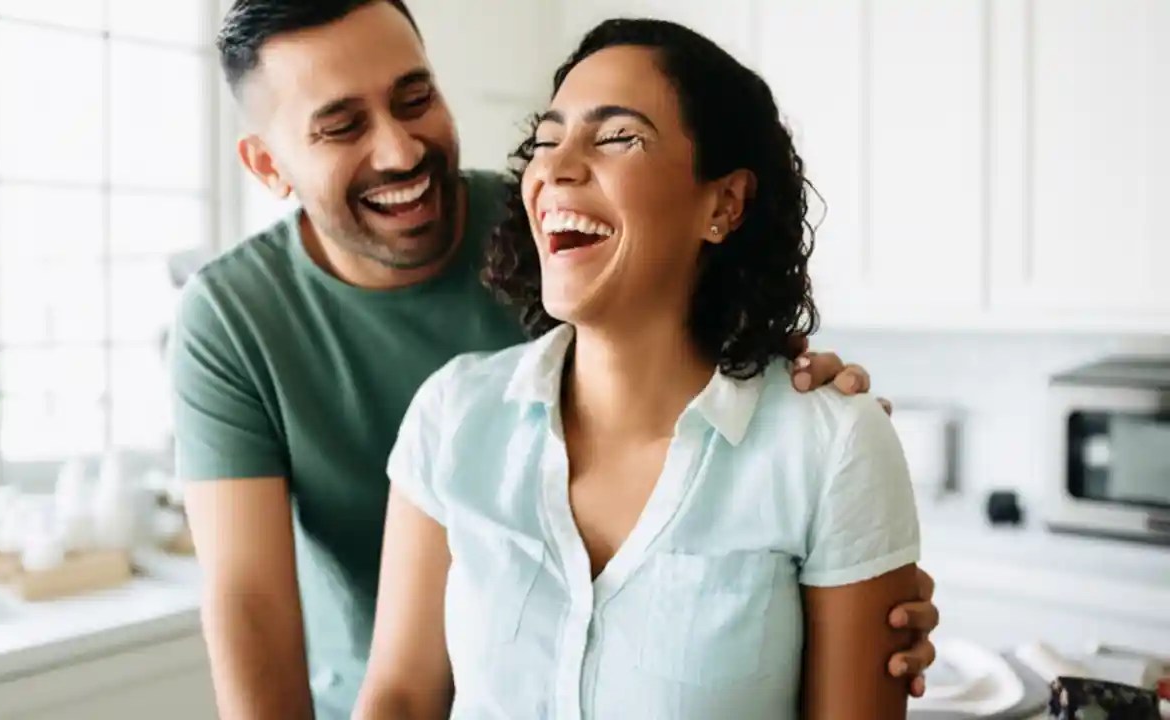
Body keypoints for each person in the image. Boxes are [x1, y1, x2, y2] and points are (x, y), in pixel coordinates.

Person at [173, 2, 940, 718]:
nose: (401, 150)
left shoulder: (557, 228)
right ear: (268, 166)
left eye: (415, 99)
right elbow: (255, 605)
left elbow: (711, 326)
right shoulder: (247, 324)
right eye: (341, 126)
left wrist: (831, 479)